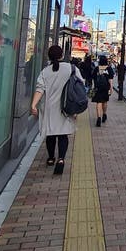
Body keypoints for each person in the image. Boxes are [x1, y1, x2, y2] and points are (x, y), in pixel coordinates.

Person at [30, 45, 84, 174]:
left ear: (49, 57)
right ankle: (61, 159)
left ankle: (50, 158)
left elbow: (40, 89)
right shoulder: (71, 68)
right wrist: (76, 109)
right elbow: (80, 84)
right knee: (63, 134)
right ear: (62, 56)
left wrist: (33, 105)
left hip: (49, 108)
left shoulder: (45, 71)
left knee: (51, 133)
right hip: (66, 107)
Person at [91, 54, 115, 127]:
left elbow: (93, 79)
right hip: (105, 87)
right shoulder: (109, 68)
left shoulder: (96, 68)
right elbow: (110, 79)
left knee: (98, 102)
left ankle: (99, 117)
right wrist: (111, 88)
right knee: (104, 101)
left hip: (98, 87)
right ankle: (104, 114)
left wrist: (93, 87)